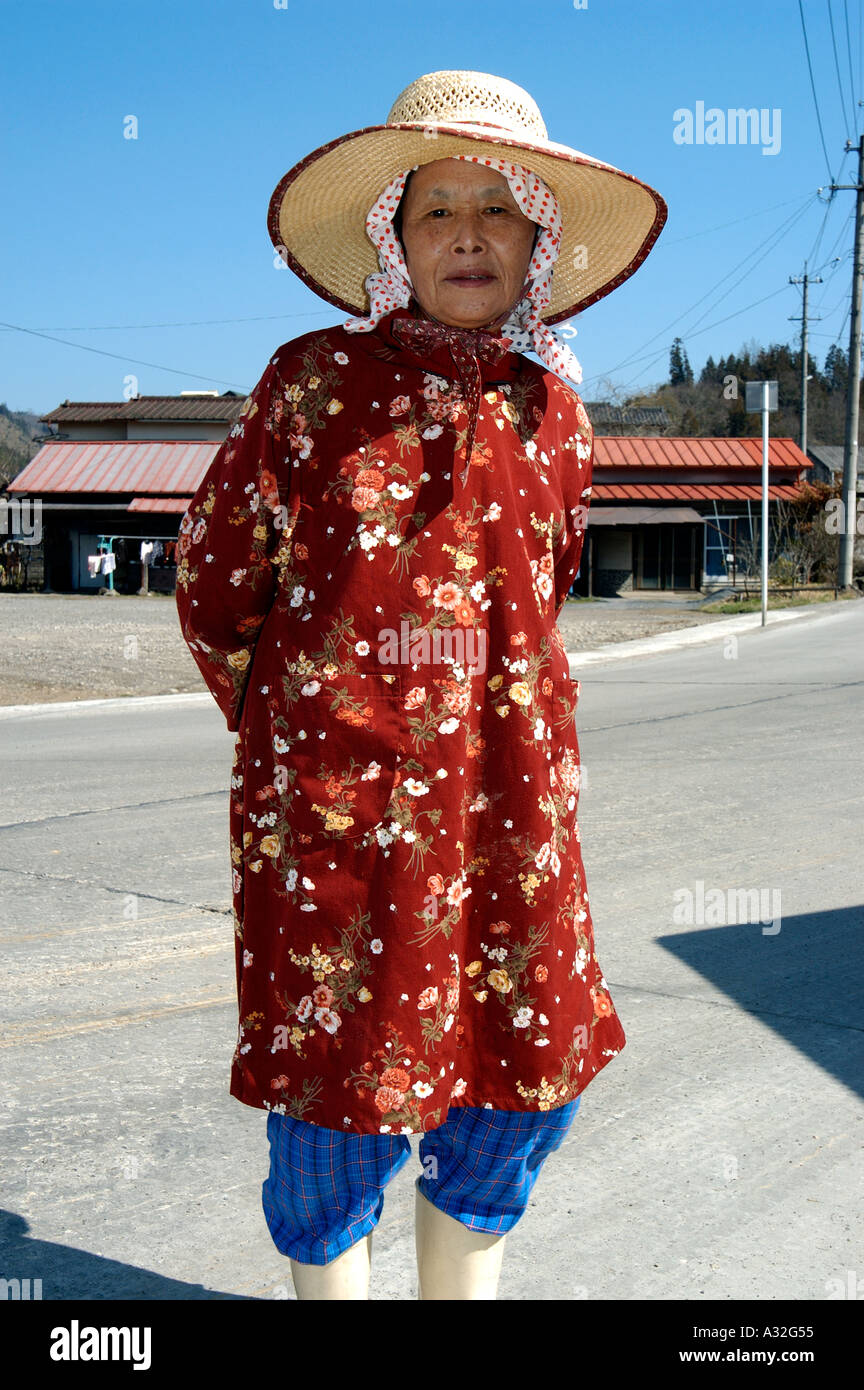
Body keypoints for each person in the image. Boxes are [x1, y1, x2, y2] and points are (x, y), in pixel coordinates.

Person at [175, 68, 666, 1300]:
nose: (466, 232)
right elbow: (216, 578)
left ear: (536, 245)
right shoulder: (311, 385)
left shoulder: (556, 410)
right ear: (393, 238)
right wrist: (306, 730)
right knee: (339, 1086)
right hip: (340, 821)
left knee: (515, 1074)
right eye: (437, 206)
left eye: (498, 209)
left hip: (512, 812)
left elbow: (539, 601)